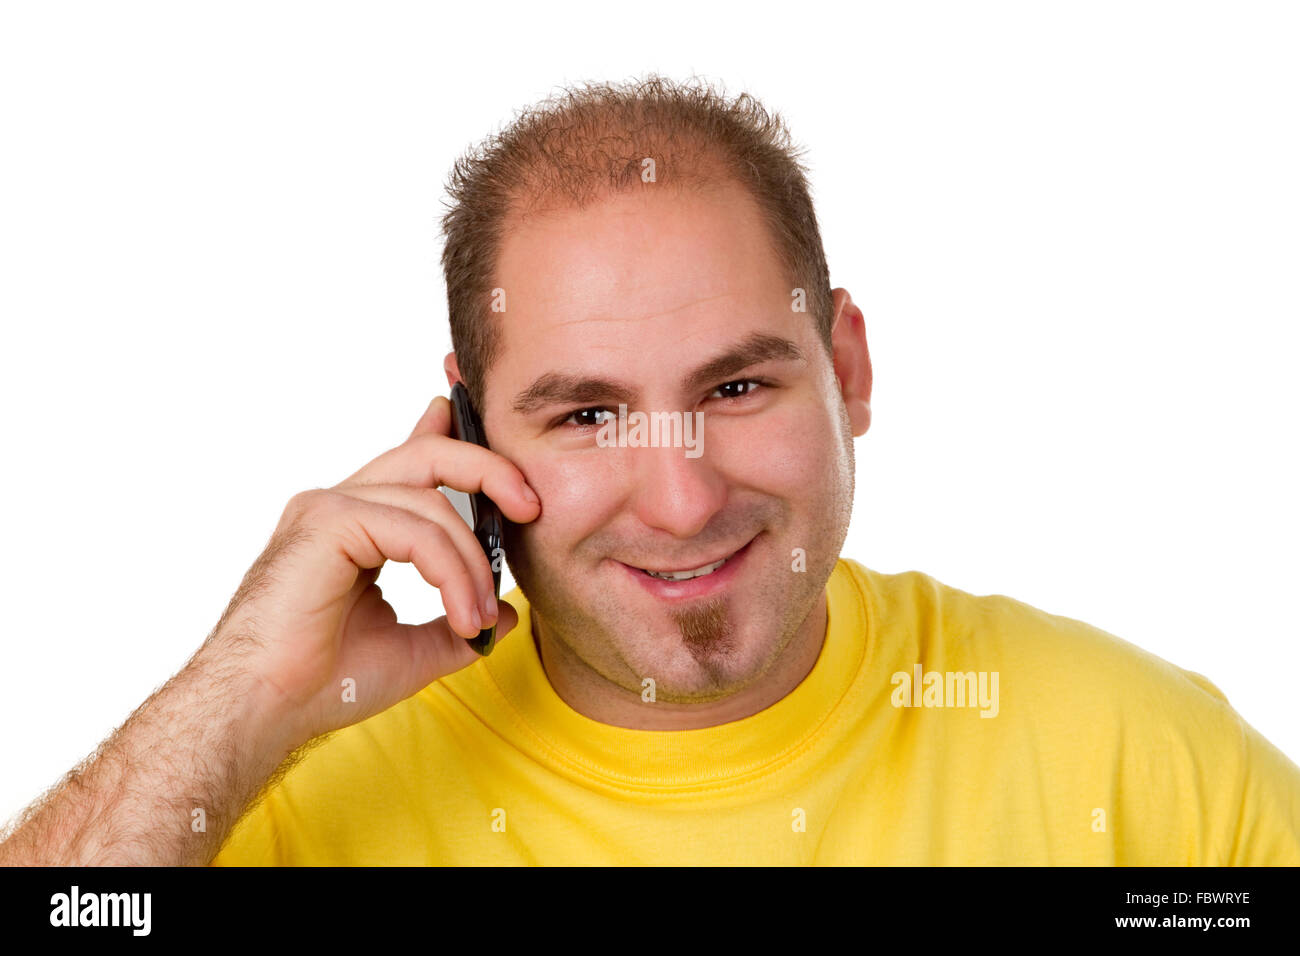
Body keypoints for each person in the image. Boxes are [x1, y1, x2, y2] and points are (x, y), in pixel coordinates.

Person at [3, 75, 1297, 866]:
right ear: (466, 426)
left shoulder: (1140, 764)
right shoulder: (278, 796)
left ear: (845, 365)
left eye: (737, 388)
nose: (680, 500)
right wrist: (236, 695)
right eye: (586, 417)